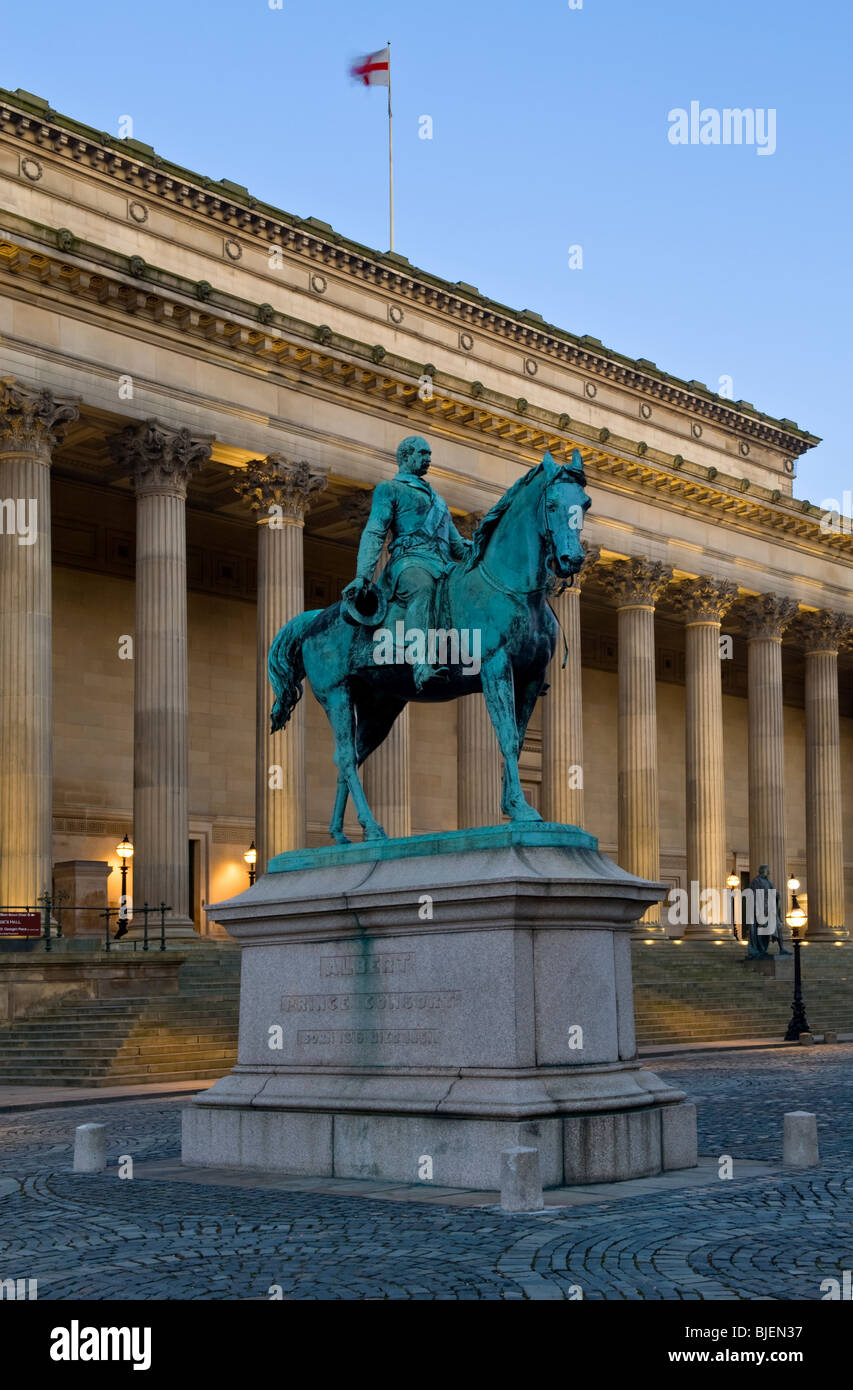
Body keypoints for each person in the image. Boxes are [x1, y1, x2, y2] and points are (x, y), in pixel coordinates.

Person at [342, 435, 472, 691]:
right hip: (408, 561)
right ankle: (421, 665)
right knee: (422, 586)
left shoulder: (438, 501)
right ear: (405, 456)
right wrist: (362, 575)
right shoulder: (390, 489)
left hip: (443, 565)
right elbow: (375, 531)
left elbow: (457, 546)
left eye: (429, 454)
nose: (429, 459)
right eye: (423, 453)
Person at [747, 865, 792, 957]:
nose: (769, 872)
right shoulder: (756, 881)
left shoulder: (768, 881)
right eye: (768, 871)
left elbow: (771, 893)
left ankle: (782, 948)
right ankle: (761, 949)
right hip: (761, 909)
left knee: (778, 927)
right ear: (764, 871)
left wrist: (776, 896)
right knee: (761, 930)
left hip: (770, 909)